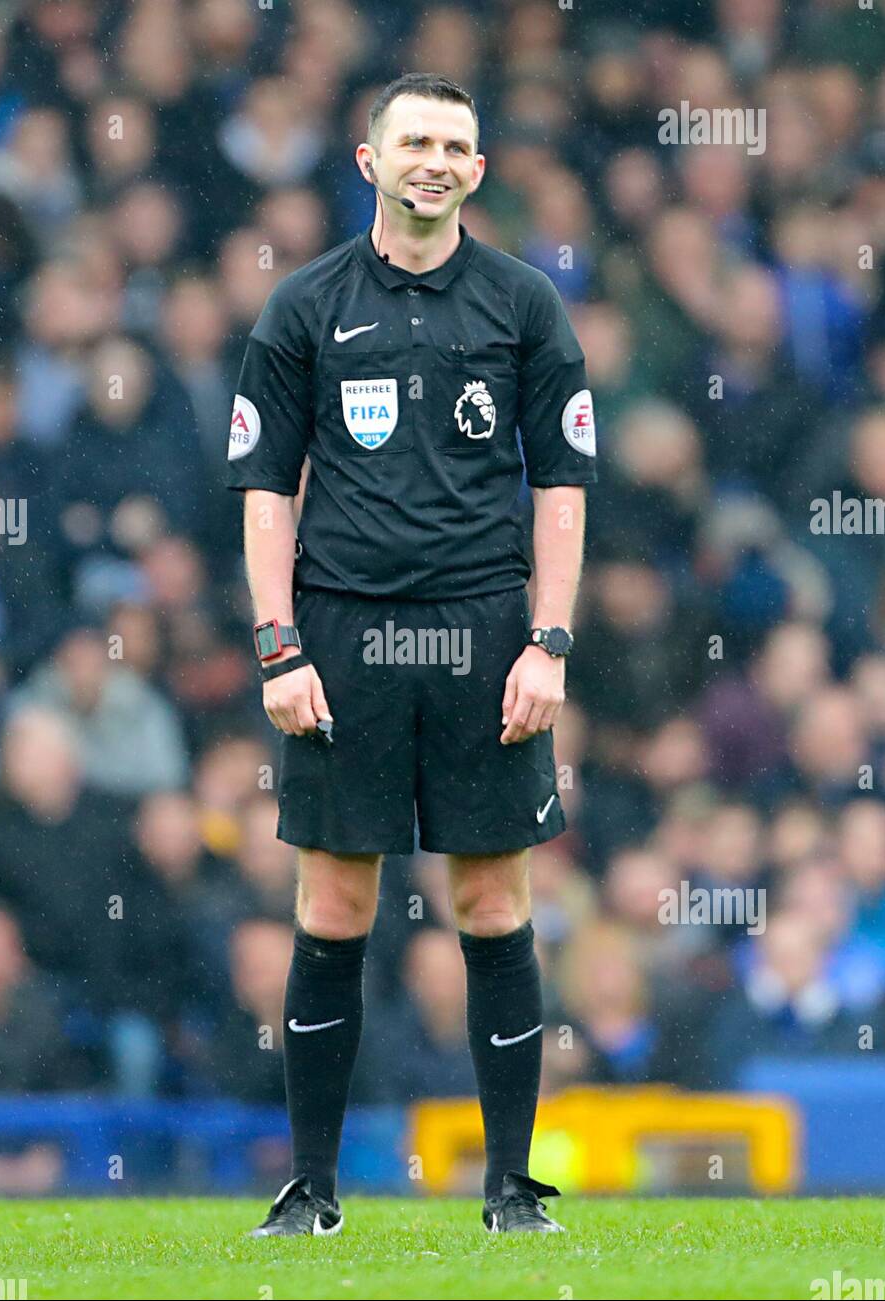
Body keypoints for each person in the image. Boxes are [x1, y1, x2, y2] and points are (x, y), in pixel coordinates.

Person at [228, 73, 595, 1237]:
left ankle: (511, 1187)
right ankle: (313, 1189)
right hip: (341, 633)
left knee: (492, 898)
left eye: (457, 145)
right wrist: (279, 647)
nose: (436, 159)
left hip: (488, 635)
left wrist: (550, 641)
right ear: (368, 158)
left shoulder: (526, 303)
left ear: (479, 171)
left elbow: (566, 486)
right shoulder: (304, 306)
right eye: (415, 141)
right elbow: (264, 492)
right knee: (334, 899)